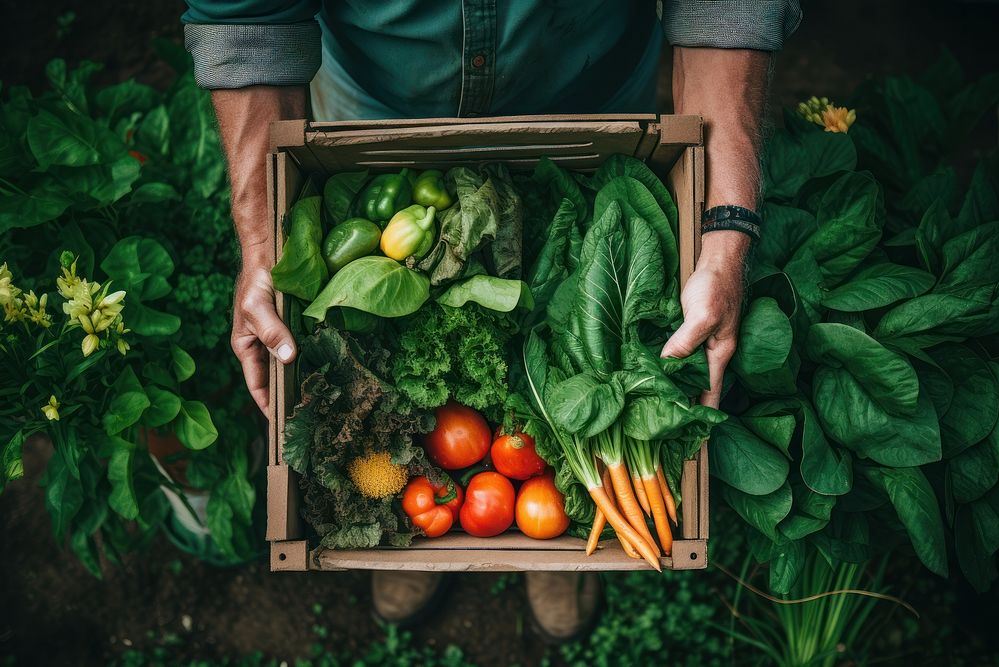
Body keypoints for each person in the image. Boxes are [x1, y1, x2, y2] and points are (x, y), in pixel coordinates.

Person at [183, 0, 801, 642]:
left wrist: (728, 231)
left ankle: (567, 518)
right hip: (371, 110)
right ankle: (413, 525)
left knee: (557, 315)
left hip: (593, 99)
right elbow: (248, 16)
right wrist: (261, 251)